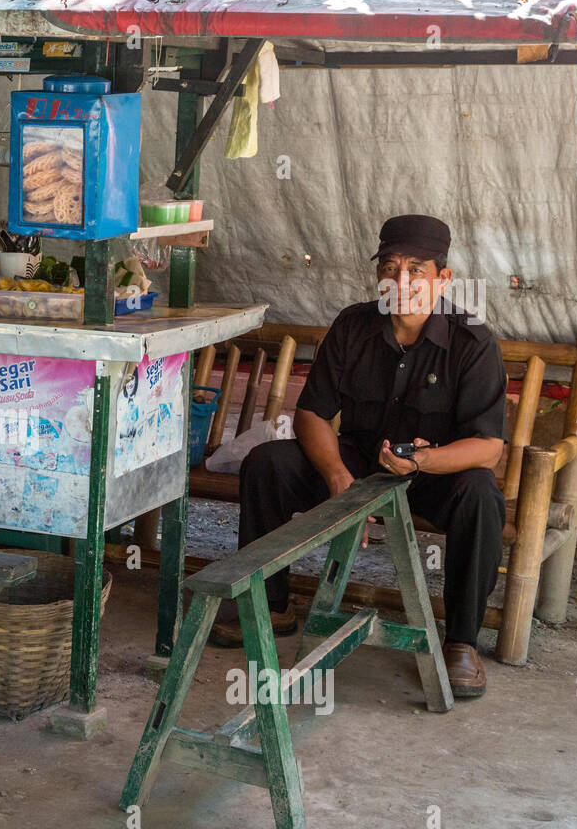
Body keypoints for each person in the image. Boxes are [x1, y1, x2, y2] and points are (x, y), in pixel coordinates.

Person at [212, 215, 506, 699]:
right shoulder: (354, 325)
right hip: (359, 461)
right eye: (390, 268)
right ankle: (270, 605)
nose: (402, 281)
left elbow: (488, 446)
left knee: (481, 495)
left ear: (443, 278)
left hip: (432, 471)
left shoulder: (472, 340)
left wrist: (423, 463)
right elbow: (312, 413)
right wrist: (336, 477)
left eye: (417, 270)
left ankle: (460, 642)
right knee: (269, 462)